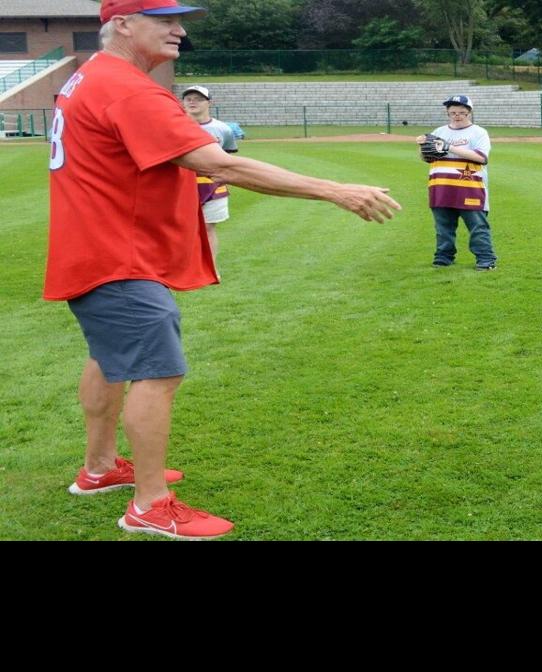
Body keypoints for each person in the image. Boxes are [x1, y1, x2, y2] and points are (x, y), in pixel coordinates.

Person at [47, 0, 401, 539]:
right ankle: (149, 504)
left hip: (94, 246)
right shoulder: (127, 87)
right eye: (165, 21)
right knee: (156, 369)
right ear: (122, 25)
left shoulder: (90, 77)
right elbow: (219, 163)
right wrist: (337, 190)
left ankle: (98, 469)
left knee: (110, 356)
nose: (180, 30)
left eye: (178, 20)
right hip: (119, 255)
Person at [417, 95, 496, 271]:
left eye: (461, 112)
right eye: (452, 112)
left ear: (469, 112)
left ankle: (486, 259)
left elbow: (481, 158)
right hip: (441, 186)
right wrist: (422, 147)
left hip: (470, 188)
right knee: (443, 227)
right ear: (447, 113)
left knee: (477, 226)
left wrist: (449, 147)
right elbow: (427, 158)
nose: (457, 115)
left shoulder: (478, 132)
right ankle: (443, 258)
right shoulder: (439, 131)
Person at [180, 84, 237, 263]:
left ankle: (210, 267)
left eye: (198, 99)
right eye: (188, 99)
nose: (192, 102)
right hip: (181, 186)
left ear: (209, 103)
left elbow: (227, 157)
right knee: (180, 228)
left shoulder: (223, 129)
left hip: (213, 187)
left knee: (208, 227)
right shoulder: (174, 126)